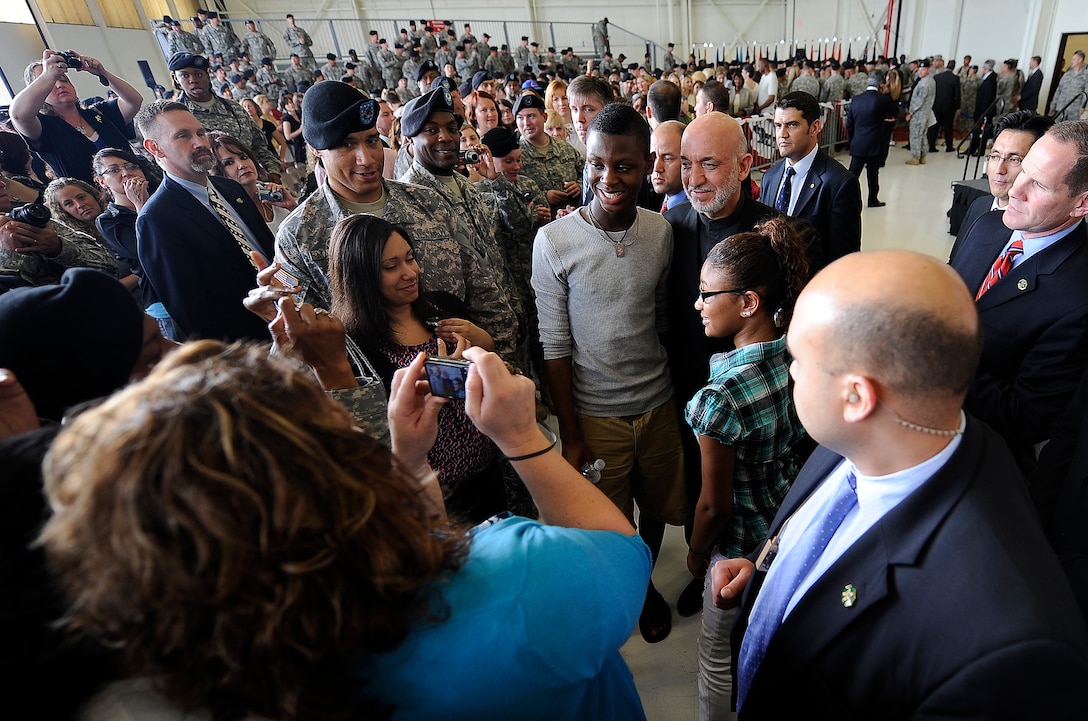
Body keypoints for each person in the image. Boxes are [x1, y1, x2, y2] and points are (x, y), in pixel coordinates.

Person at [39, 338, 652, 720]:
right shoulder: (517, 582)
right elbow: (621, 550)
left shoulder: (220, 671)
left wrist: (408, 463)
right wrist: (521, 437)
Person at [711, 250, 1088, 718]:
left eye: (798, 359)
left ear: (856, 396)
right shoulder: (886, 432)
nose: (790, 371)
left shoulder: (1002, 650)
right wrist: (769, 568)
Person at [533, 103, 687, 644]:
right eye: (597, 164)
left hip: (659, 401)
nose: (608, 178)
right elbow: (554, 346)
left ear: (646, 165)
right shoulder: (554, 243)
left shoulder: (661, 232)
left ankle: (644, 571)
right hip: (596, 413)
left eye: (623, 166)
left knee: (661, 504)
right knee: (611, 514)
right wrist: (571, 436)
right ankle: (638, 588)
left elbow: (663, 320)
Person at [274, 82, 517, 367]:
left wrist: (502, 364)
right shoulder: (298, 236)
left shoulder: (429, 202)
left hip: (466, 379)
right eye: (347, 145)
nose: (367, 158)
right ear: (317, 150)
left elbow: (484, 291)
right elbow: (304, 346)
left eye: (372, 140)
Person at [687, 217, 810, 720]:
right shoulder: (797, 357)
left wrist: (696, 555)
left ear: (748, 302)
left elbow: (715, 505)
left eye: (706, 293)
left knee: (720, 658)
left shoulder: (719, 400)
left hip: (738, 552)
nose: (697, 303)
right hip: (784, 531)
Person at [327, 214, 504, 521]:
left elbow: (495, 375)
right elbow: (371, 431)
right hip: (430, 495)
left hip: (488, 471)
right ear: (361, 276)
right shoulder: (355, 348)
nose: (411, 273)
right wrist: (444, 378)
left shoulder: (445, 311)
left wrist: (483, 342)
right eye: (391, 267)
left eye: (410, 258)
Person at [949, 120, 1088, 476]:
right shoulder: (988, 224)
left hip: (973, 456)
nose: (1014, 189)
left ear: (1081, 203)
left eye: (1038, 184)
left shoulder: (1078, 299)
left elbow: (1026, 417)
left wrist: (933, 359)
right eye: (1022, 169)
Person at [134, 100, 274, 342]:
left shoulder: (230, 188)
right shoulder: (156, 219)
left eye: (200, 132)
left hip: (290, 311)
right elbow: (191, 311)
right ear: (155, 148)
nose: (199, 143)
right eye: (183, 136)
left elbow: (267, 250)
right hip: (249, 344)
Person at [398, 88, 520, 360]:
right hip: (463, 348)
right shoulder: (405, 200)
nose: (445, 137)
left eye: (452, 128)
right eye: (431, 130)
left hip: (504, 332)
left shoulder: (467, 186)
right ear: (409, 140)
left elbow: (492, 257)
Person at [10, 49, 143, 184]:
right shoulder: (43, 127)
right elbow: (18, 115)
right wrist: (48, 76)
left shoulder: (98, 113)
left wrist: (102, 73)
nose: (59, 84)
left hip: (138, 187)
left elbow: (134, 100)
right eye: (51, 83)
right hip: (91, 202)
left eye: (64, 80)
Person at [761, 92, 861, 270]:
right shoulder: (770, 177)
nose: (782, 134)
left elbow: (843, 260)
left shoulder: (840, 184)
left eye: (792, 125)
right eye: (777, 125)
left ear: (814, 127)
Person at [950, 110, 1054, 253]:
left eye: (1014, 160)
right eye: (995, 156)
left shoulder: (1038, 229)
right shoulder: (978, 206)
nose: (999, 169)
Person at [167, 52, 282, 179]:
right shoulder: (176, 117)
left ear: (208, 76)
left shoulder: (233, 108)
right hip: (216, 191)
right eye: (184, 75)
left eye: (198, 74)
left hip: (254, 182)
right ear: (176, 79)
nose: (193, 80)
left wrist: (273, 173)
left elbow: (260, 146)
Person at [209, 131, 297, 234]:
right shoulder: (229, 214)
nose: (242, 165)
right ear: (218, 173)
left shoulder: (274, 193)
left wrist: (293, 207)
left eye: (243, 157)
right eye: (229, 163)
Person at [514, 92, 584, 215]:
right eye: (520, 118)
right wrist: (543, 197)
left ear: (544, 117)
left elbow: (587, 174)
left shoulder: (565, 148)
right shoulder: (515, 157)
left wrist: (579, 186)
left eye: (531, 116)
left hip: (573, 218)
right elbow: (512, 199)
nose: (526, 123)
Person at [846, 72, 898, 208]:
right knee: (873, 174)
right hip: (875, 143)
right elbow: (889, 118)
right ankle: (872, 199)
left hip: (858, 142)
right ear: (879, 84)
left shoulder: (856, 99)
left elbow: (849, 124)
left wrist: (852, 140)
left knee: (852, 175)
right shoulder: (882, 100)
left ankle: (844, 199)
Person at [650, 120, 687, 212]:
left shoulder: (701, 213)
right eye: (653, 158)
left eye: (667, 159)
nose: (657, 168)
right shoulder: (653, 200)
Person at [905, 58, 934, 165]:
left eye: (923, 70)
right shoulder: (931, 81)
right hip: (926, 114)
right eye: (919, 70)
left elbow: (918, 101)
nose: (920, 72)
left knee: (916, 135)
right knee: (922, 136)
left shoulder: (924, 84)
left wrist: (910, 113)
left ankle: (916, 157)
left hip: (919, 114)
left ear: (928, 70)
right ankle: (923, 156)